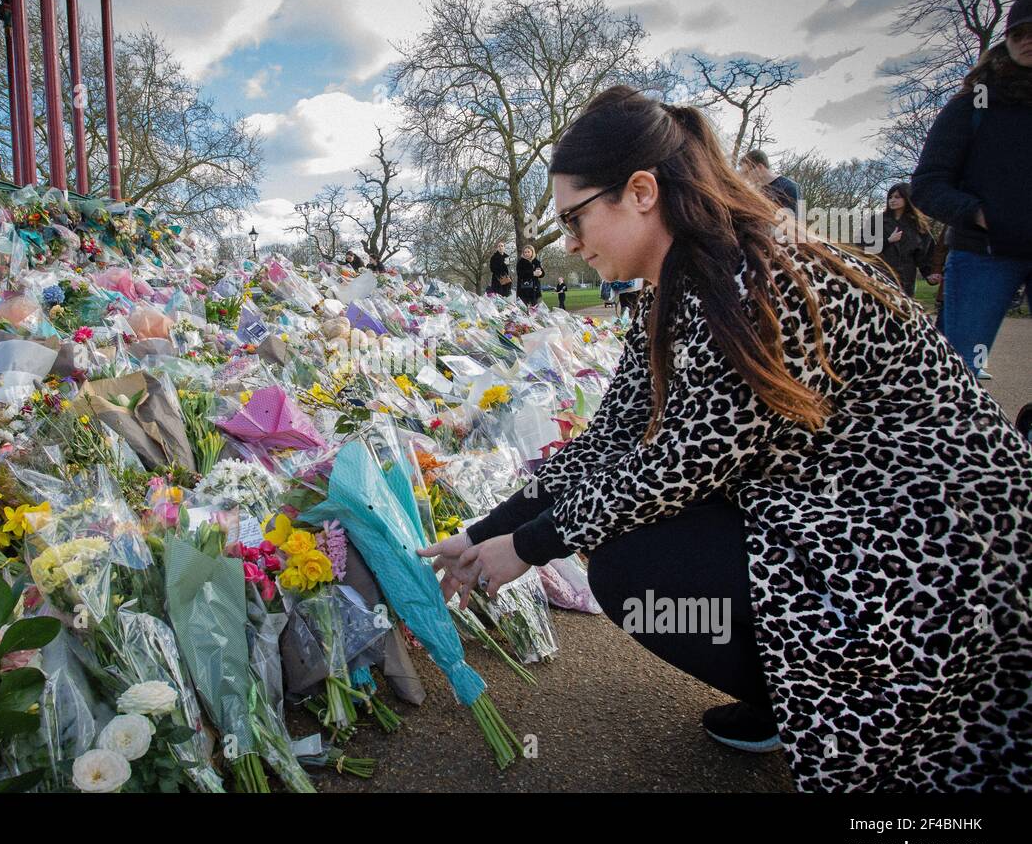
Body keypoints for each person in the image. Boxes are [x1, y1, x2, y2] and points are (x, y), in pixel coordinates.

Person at [419, 84, 1031, 792]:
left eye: (575, 219)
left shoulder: (756, 279)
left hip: (931, 547)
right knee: (628, 540)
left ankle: (822, 697)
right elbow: (611, 438)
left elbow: (676, 466)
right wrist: (484, 531)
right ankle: (787, 691)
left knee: (633, 565)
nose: (571, 245)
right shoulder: (681, 282)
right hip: (840, 505)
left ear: (641, 192)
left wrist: (527, 548)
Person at [912, 0, 1032, 379]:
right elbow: (927, 184)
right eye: (1019, 34)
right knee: (958, 373)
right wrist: (980, 214)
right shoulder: (974, 104)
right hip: (985, 252)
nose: (1027, 41)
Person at [874, 182, 936, 298]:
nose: (892, 200)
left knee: (903, 308)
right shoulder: (877, 221)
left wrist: (929, 274)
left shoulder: (918, 225)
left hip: (906, 280)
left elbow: (925, 254)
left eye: (897, 197)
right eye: (890, 197)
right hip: (880, 276)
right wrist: (888, 241)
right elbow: (861, 246)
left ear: (907, 199)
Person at [738, 148, 799, 215]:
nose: (745, 177)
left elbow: (795, 219)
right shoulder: (757, 191)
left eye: (746, 172)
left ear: (760, 167)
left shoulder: (790, 187)